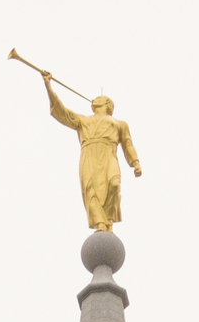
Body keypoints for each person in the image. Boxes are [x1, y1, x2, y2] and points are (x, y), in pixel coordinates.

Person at [43, 71, 142, 233]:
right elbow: (62, 112)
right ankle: (101, 223)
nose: (95, 99)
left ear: (107, 103)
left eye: (99, 98)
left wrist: (135, 162)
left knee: (114, 184)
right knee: (91, 190)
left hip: (108, 155)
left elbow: (128, 144)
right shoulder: (83, 121)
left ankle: (109, 219)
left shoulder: (120, 124)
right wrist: (48, 86)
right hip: (89, 156)